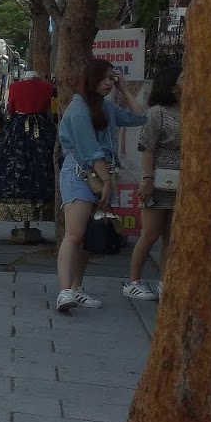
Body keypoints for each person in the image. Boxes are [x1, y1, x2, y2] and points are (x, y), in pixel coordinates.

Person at [54, 56, 146, 313]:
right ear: (91, 79)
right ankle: (64, 291)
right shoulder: (79, 109)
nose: (109, 83)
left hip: (101, 176)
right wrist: (106, 180)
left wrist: (125, 90)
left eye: (112, 78)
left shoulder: (105, 107)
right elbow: (90, 150)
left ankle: (76, 288)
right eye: (105, 78)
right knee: (74, 233)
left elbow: (141, 118)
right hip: (80, 174)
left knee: (88, 234)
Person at [0, 72, 57, 241]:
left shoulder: (14, 87)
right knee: (43, 167)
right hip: (42, 129)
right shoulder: (48, 87)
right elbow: (50, 109)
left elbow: (11, 108)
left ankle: (19, 211)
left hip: (17, 127)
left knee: (10, 165)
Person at [124, 65, 182, 300]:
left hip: (183, 181)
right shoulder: (158, 112)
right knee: (150, 233)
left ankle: (165, 280)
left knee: (172, 235)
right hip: (159, 178)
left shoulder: (193, 110)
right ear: (171, 85)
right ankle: (133, 281)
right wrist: (147, 179)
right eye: (184, 77)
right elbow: (148, 147)